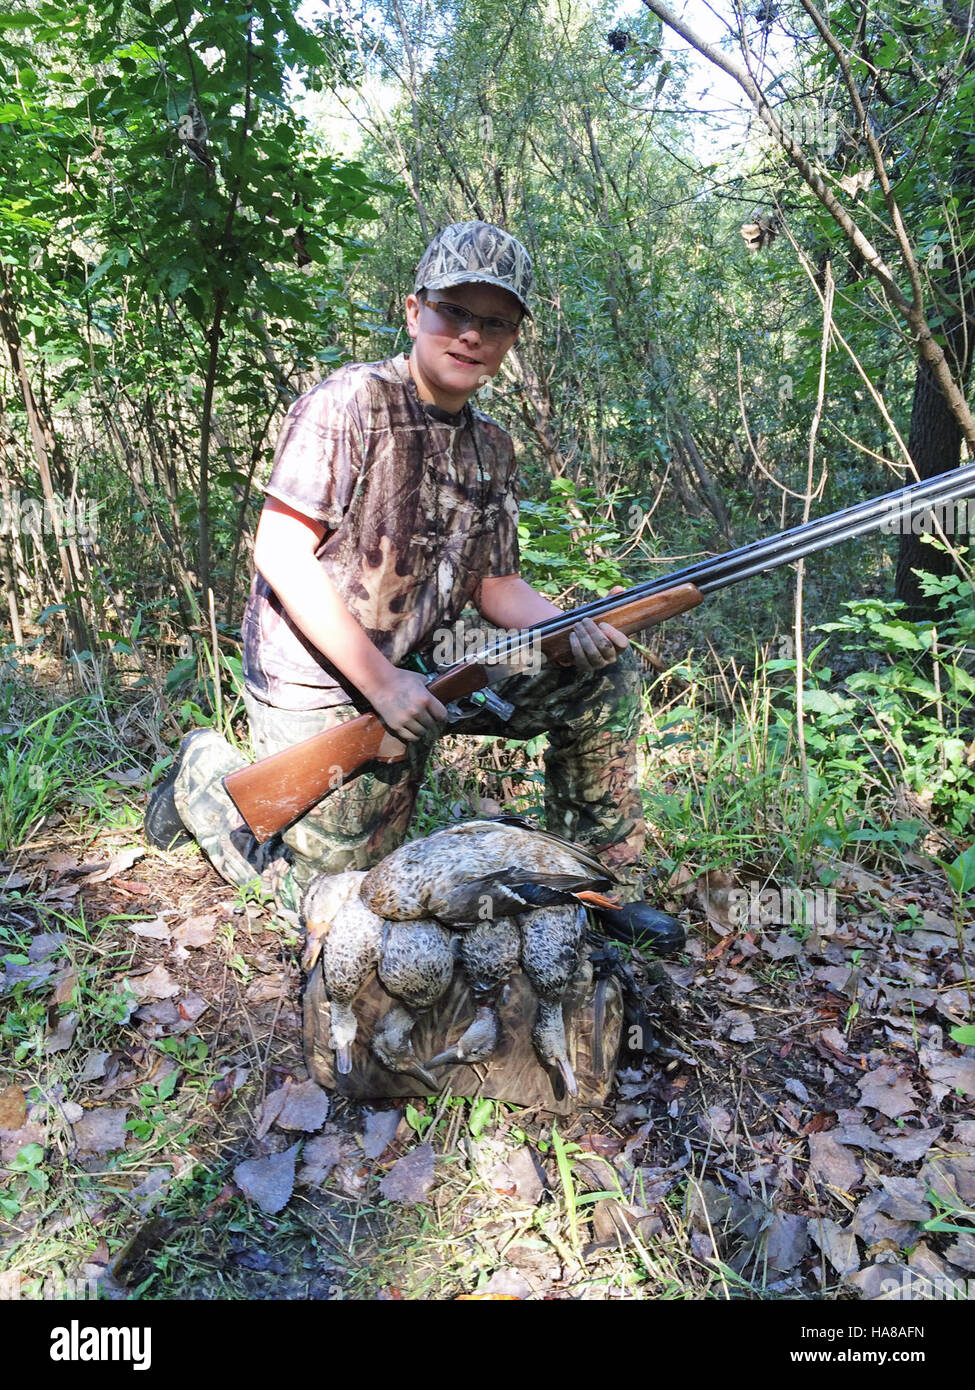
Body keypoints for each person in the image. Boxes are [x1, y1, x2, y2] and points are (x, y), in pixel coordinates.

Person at [146, 221, 683, 952]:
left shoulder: (492, 445)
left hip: (423, 667)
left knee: (602, 671)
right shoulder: (352, 403)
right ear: (413, 311)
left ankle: (587, 887)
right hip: (321, 676)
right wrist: (380, 682)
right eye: (453, 312)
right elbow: (278, 550)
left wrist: (574, 626)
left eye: (493, 322)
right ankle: (204, 778)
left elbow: (497, 585)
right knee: (342, 905)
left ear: (512, 338)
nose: (470, 335)